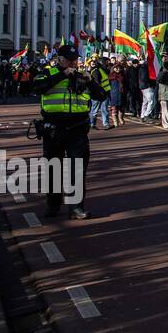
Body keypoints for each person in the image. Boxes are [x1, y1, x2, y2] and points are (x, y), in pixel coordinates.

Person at [31, 45, 109, 220]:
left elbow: (102, 96)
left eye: (75, 59)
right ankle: (53, 204)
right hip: (53, 130)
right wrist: (61, 75)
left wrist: (90, 81)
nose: (73, 63)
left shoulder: (83, 76)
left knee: (78, 171)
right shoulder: (48, 72)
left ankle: (76, 207)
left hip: (77, 131)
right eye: (69, 59)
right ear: (59, 59)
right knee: (53, 170)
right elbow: (37, 87)